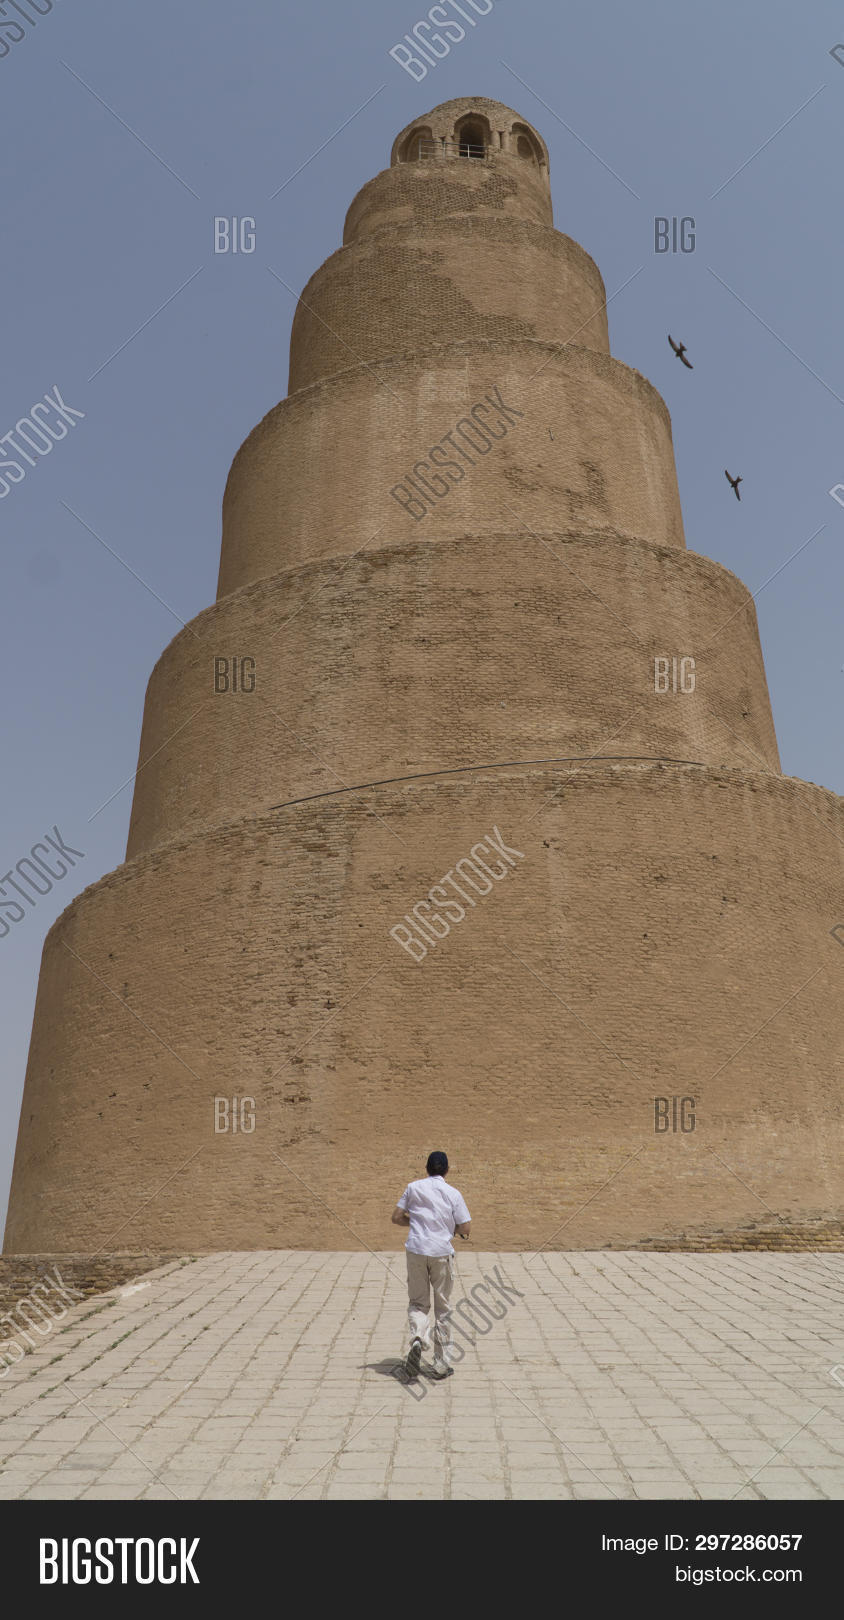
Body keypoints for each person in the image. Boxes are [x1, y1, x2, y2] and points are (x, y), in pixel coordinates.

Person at [391, 1150, 471, 1380]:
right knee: (443, 1307)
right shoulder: (453, 1193)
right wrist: (447, 1228)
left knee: (418, 1302)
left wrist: (415, 1222)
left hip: (416, 1249)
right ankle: (440, 1364)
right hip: (441, 1252)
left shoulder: (413, 1187)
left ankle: (418, 1338)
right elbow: (466, 1228)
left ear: (426, 1168)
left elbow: (396, 1217)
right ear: (446, 1170)